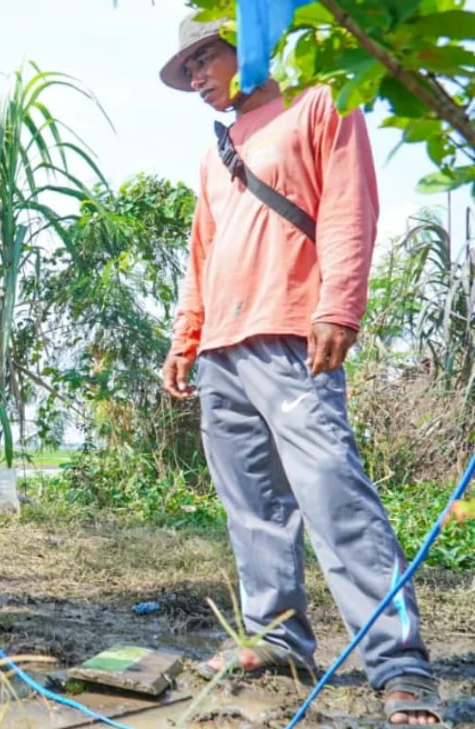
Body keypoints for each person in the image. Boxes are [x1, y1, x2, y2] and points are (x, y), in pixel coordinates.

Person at [159, 14, 447, 727]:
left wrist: (339, 307)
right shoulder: (219, 149)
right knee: (253, 507)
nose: (196, 77)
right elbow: (202, 252)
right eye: (187, 68)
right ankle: (277, 639)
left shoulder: (321, 103)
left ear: (248, 44)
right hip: (222, 348)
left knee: (333, 495)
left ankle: (400, 663)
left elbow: (350, 207)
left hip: (291, 334)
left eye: (205, 58)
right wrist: (186, 336)